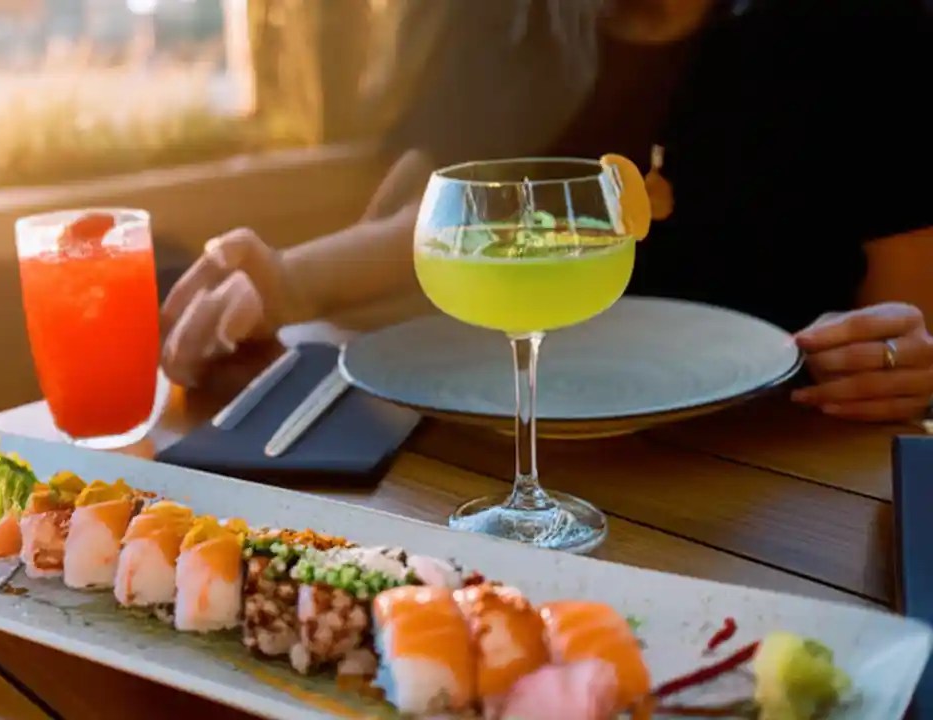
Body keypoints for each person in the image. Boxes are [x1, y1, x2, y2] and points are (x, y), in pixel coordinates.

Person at [161, 0, 933, 422]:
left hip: (770, 479)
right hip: (522, 457)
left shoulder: (859, 33)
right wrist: (288, 281)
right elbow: (436, 230)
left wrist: (908, 356)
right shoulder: (504, 25)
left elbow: (912, 315)